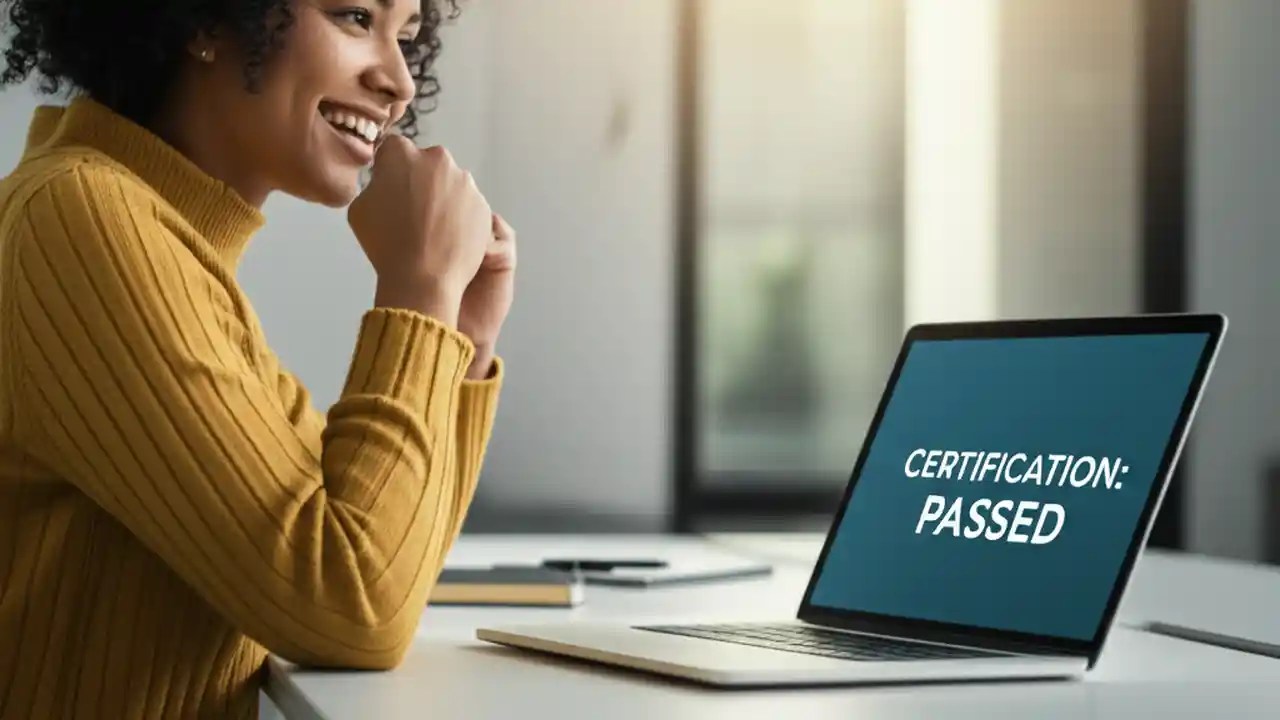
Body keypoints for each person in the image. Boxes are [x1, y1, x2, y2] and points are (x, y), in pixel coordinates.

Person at [0, 0, 513, 716]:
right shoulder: (80, 219)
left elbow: (389, 570)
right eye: (355, 17)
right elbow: (356, 607)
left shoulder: (173, 251)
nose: (399, 81)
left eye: (406, 37)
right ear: (208, 20)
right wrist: (419, 290)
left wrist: (463, 342)